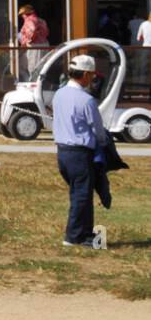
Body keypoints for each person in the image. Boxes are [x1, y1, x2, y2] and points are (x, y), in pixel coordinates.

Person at [52, 54, 109, 248]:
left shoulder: (59, 94)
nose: (93, 79)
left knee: (79, 192)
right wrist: (104, 143)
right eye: (92, 75)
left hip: (63, 152)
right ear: (85, 74)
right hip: (80, 153)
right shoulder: (86, 100)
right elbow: (98, 130)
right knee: (82, 195)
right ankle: (73, 237)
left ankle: (86, 234)